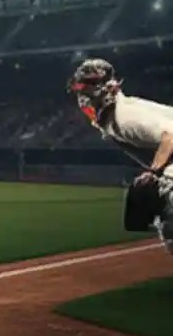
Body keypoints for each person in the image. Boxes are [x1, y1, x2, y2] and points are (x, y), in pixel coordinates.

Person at [67, 58, 172, 253]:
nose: (83, 97)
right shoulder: (118, 114)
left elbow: (170, 136)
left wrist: (155, 171)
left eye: (87, 88)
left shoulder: (123, 117)